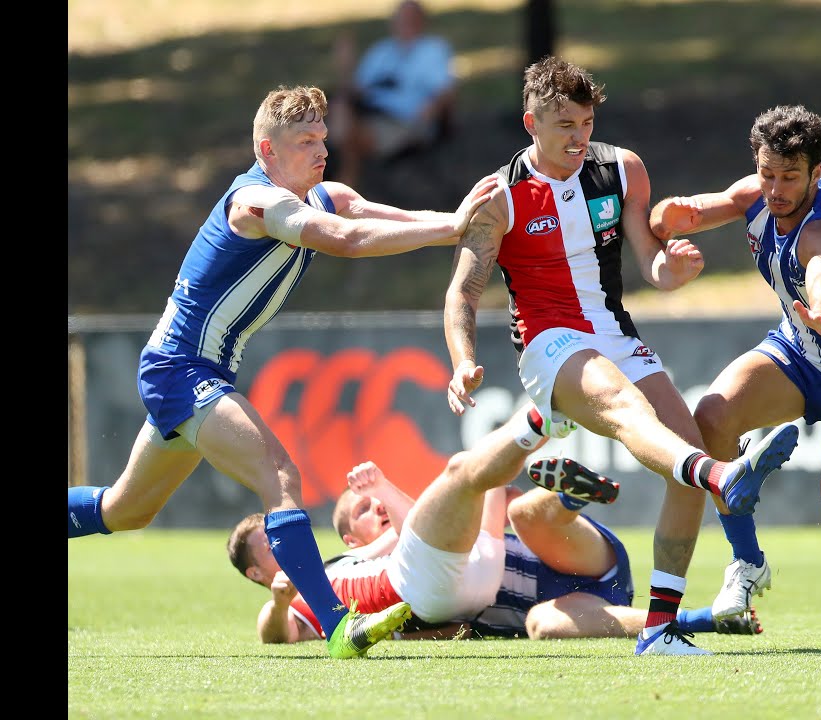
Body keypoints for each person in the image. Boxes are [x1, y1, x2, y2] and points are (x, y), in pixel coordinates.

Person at [67, 84, 499, 660]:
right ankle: (339, 627)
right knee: (283, 478)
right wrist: (453, 227)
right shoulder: (255, 202)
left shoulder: (325, 194)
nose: (321, 151)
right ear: (267, 150)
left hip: (201, 370)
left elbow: (382, 219)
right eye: (304, 142)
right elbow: (343, 239)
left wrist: (463, 220)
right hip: (180, 369)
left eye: (323, 138)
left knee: (126, 510)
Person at [441, 56, 801, 656]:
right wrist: (461, 358)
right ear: (529, 122)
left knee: (680, 463)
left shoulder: (620, 170)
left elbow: (650, 261)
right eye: (564, 126)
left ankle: (659, 631)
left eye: (585, 122)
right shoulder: (500, 198)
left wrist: (673, 269)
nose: (579, 136)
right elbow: (464, 290)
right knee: (637, 413)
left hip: (615, 333)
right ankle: (721, 473)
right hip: (548, 344)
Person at [650, 104, 821, 643]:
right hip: (799, 352)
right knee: (713, 417)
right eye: (767, 173)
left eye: (790, 177)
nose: (775, 188)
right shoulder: (756, 192)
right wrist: (667, 218)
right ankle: (747, 565)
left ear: (817, 173)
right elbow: (688, 212)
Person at [227, 406, 763, 643]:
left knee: (522, 514)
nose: (379, 512)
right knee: (541, 629)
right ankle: (698, 619)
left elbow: (425, 525)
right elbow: (282, 633)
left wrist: (392, 493)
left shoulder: (382, 553)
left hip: (566, 553)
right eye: (363, 512)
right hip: (560, 604)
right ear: (350, 539)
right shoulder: (329, 588)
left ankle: (563, 491)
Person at [329, 0, 457, 190]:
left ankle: (334, 188)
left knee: (345, 141)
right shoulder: (381, 52)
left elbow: (446, 90)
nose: (405, 24)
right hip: (368, 113)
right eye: (401, 19)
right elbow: (355, 91)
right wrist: (346, 67)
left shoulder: (433, 50)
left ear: (422, 21)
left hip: (405, 122)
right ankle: (339, 190)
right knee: (339, 109)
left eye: (411, 19)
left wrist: (431, 114)